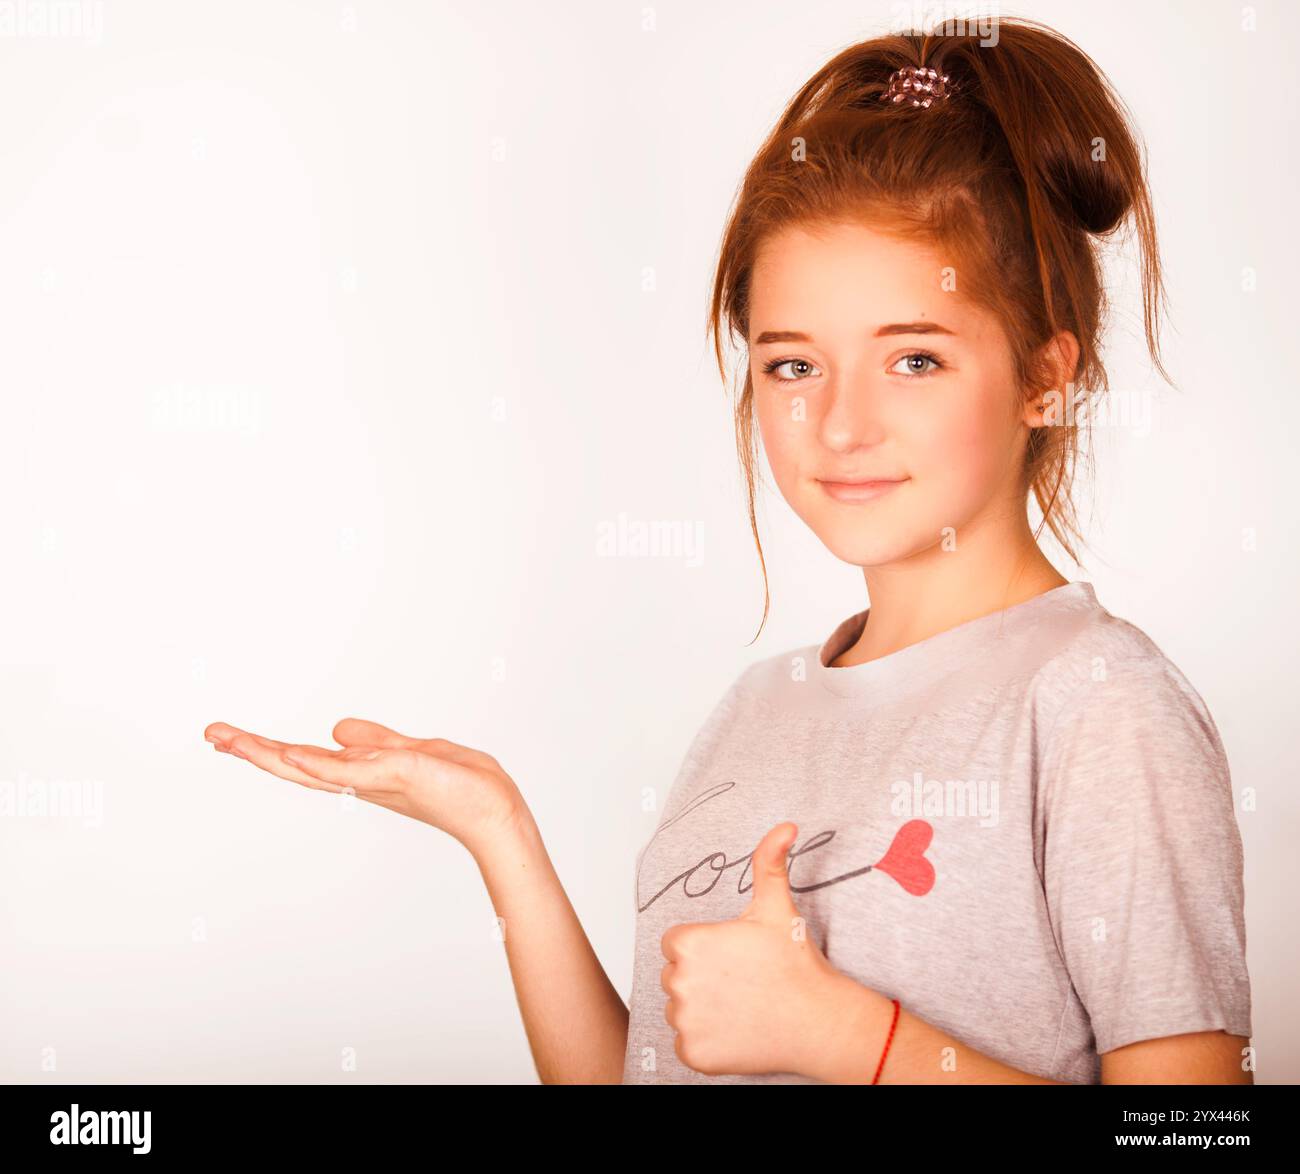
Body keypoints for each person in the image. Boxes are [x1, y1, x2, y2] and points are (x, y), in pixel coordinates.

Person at [203, 16, 1252, 1084]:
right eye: (794, 367)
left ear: (1044, 376)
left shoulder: (1096, 706)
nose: (840, 424)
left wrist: (855, 1039)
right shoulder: (760, 707)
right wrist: (498, 835)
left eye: (915, 359)